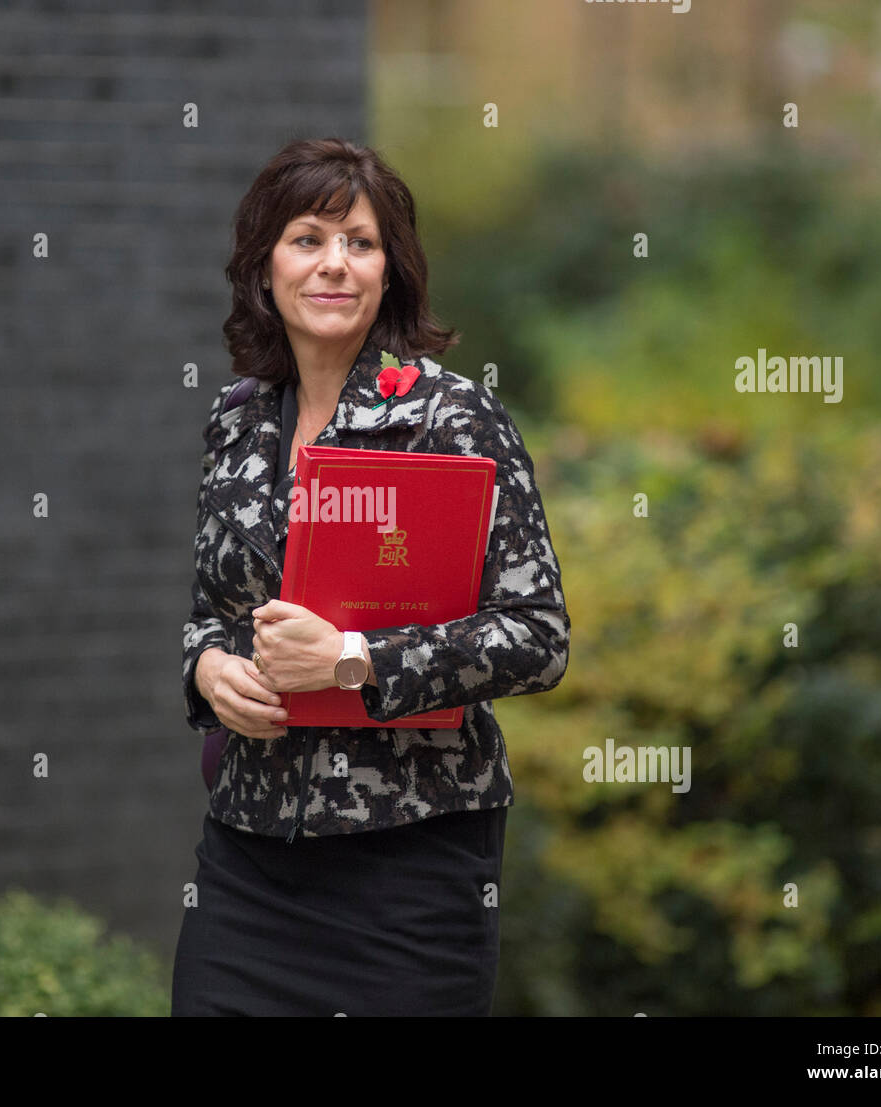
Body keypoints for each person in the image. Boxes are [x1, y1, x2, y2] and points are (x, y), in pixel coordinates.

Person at [172, 137, 571, 1016]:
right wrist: (207, 669)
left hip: (410, 871)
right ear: (263, 267)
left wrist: (355, 658)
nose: (334, 265)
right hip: (247, 857)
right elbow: (212, 611)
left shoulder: (449, 414)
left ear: (392, 271)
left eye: (360, 242)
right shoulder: (236, 419)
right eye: (307, 239)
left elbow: (538, 635)